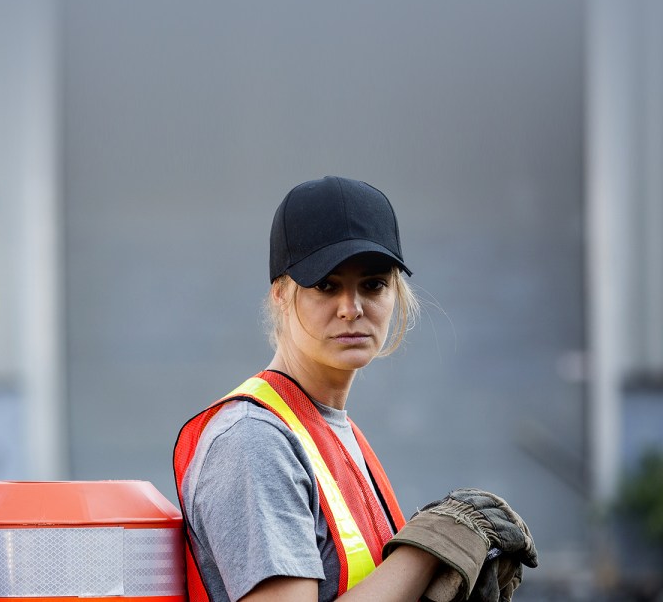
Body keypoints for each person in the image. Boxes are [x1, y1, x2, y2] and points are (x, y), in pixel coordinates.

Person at [173, 177, 537, 602]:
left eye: (373, 284)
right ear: (279, 295)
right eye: (326, 286)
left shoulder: (334, 433)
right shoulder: (253, 440)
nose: (351, 308)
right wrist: (428, 551)